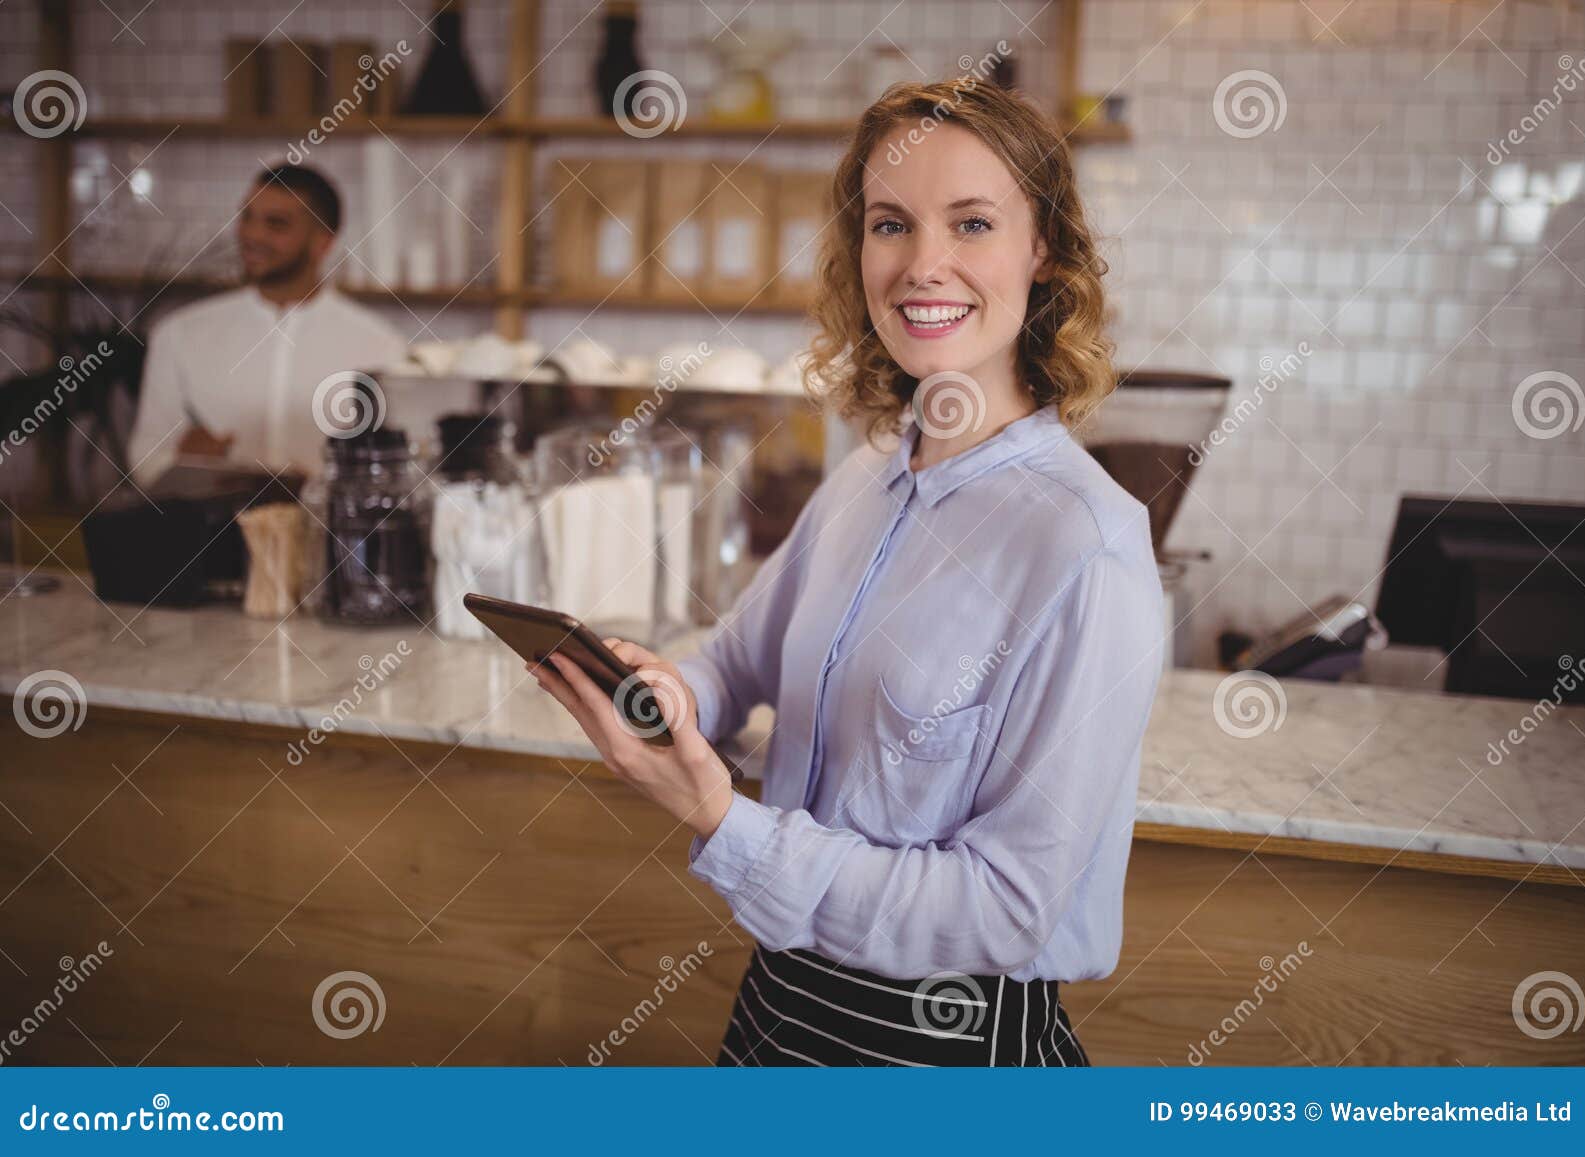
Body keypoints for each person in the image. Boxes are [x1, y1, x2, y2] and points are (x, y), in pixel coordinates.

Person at [530, 80, 1165, 1067]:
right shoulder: (866, 478)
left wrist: (716, 814)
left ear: (1043, 250)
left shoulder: (1088, 547)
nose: (924, 265)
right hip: (781, 1011)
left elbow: (1003, 908)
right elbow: (735, 663)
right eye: (890, 224)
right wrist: (656, 696)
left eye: (972, 223)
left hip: (948, 1047)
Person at [126, 164, 406, 486]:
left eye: (277, 224)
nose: (252, 235)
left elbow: (392, 470)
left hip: (325, 533)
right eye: (247, 217)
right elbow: (146, 457)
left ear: (323, 243)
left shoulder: (380, 346)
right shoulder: (179, 334)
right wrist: (184, 463)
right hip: (212, 533)